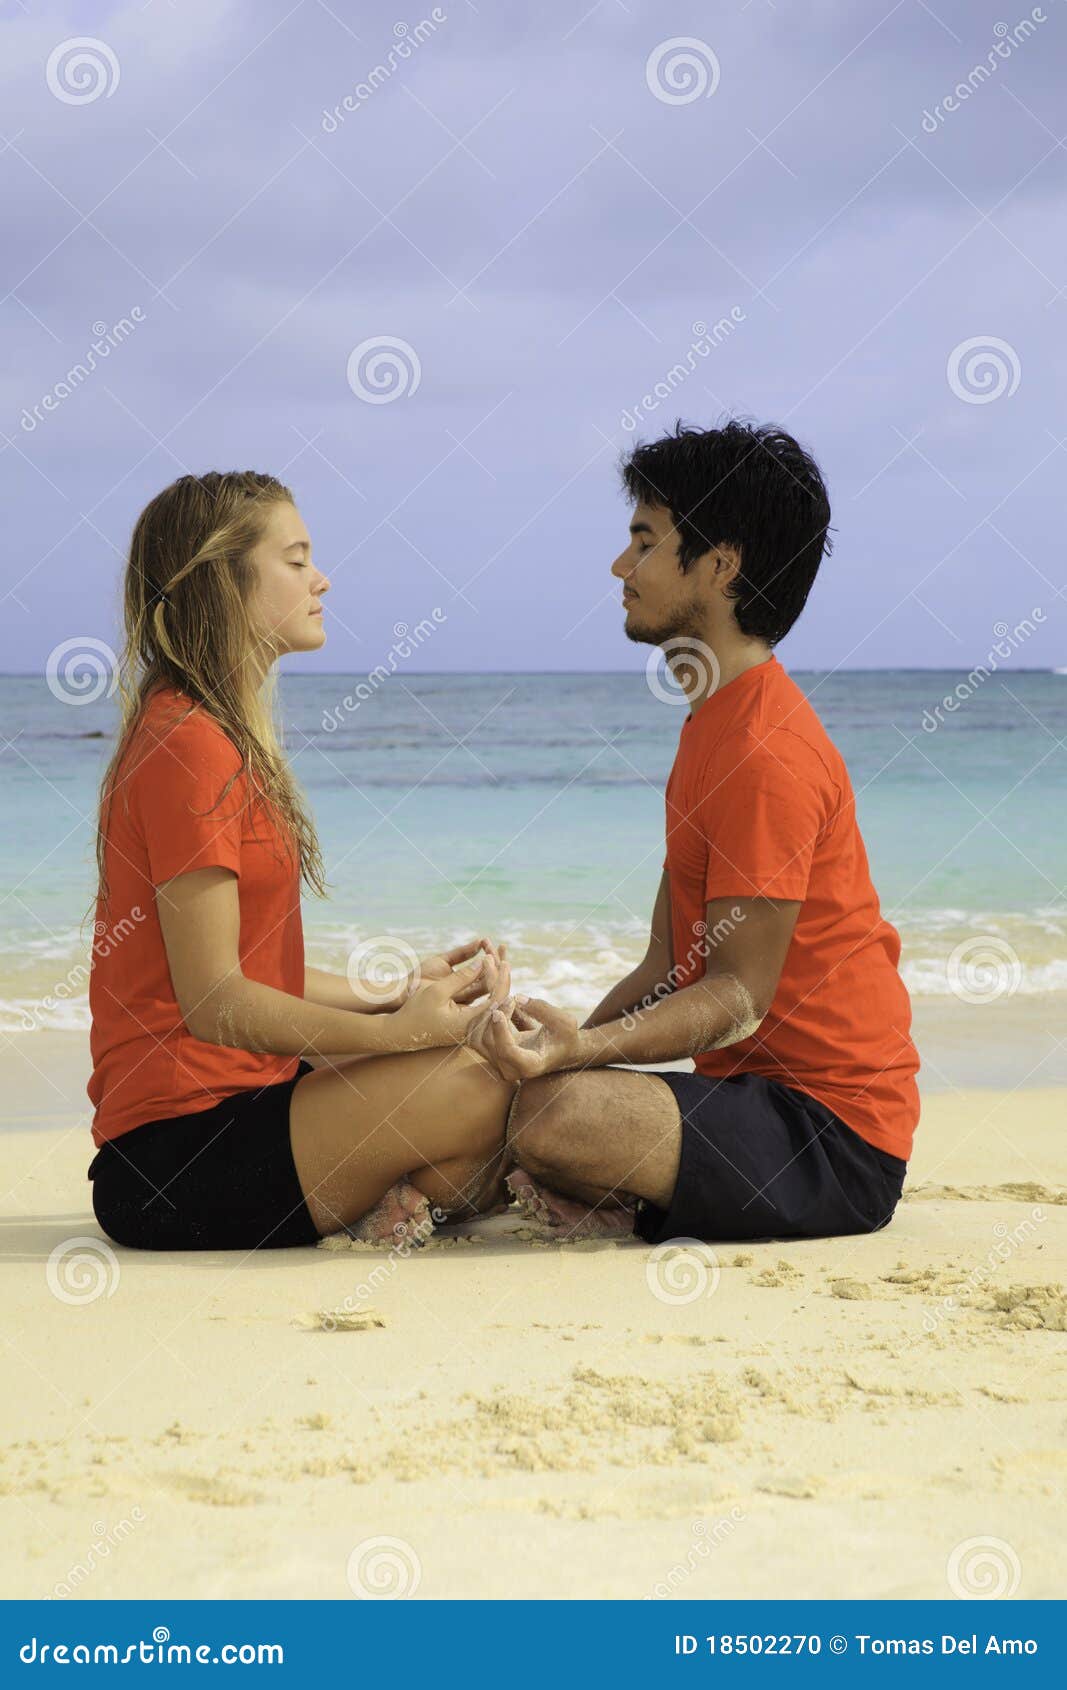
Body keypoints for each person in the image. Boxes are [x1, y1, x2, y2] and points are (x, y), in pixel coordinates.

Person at [472, 418, 921, 1246]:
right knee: (501, 1092)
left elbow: (738, 997)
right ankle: (588, 1190)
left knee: (551, 1114)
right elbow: (664, 964)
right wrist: (566, 1044)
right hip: (753, 1103)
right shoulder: (713, 721)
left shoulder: (764, 750)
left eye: (643, 540)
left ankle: (588, 1190)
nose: (619, 565)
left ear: (719, 564)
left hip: (832, 1137)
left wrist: (574, 1065)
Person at [85, 470, 516, 1251]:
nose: (322, 578)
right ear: (225, 580)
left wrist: (398, 998)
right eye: (295, 558)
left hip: (251, 1102)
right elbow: (215, 1003)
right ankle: (390, 1198)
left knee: (485, 1050)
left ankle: (390, 1200)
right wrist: (400, 1039)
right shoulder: (189, 746)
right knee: (484, 1083)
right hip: (173, 1159)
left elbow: (258, 976)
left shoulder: (210, 733)